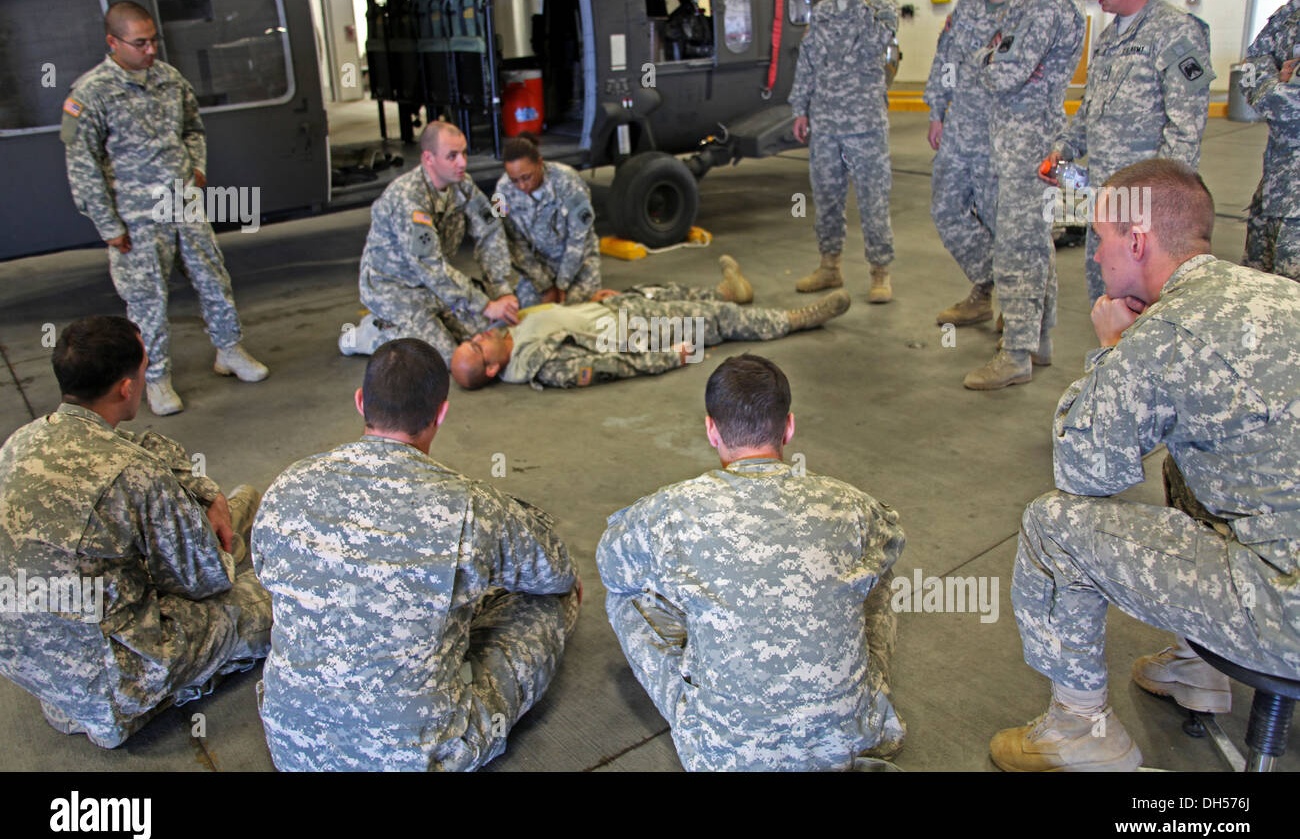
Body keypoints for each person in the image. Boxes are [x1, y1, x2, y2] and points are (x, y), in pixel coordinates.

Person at [991, 160, 1300, 771]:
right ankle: (1198, 667)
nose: (1098, 256)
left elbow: (1084, 469)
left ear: (1137, 241)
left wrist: (1114, 350)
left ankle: (1077, 730)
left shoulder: (1166, 332)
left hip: (1286, 611)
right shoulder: (1279, 292)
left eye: (1101, 239)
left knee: (1052, 526)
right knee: (1189, 462)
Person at [253, 339, 579, 771]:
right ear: (441, 413)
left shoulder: (288, 485)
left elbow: (267, 577)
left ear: (359, 401)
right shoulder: (469, 505)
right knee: (550, 603)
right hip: (414, 758)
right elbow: (555, 573)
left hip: (293, 746)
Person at [597, 354, 905, 770]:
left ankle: (716, 698)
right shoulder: (851, 505)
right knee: (876, 571)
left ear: (711, 430)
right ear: (789, 427)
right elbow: (892, 542)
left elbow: (611, 567)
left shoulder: (671, 512)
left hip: (726, 755)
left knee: (624, 596)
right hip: (850, 741)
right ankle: (854, 707)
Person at [0, 315, 271, 748]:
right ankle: (146, 699)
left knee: (241, 501)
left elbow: (137, 448)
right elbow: (200, 582)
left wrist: (205, 497)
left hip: (35, 664)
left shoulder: (20, 442)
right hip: (115, 676)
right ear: (127, 388)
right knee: (268, 603)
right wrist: (223, 550)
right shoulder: (134, 473)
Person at [61, 1, 268, 417]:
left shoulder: (170, 79)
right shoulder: (91, 93)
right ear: (113, 42)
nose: (150, 50)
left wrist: (196, 166)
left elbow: (193, 127)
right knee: (147, 299)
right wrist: (107, 224)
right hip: (136, 215)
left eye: (154, 40)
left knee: (213, 277)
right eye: (140, 43)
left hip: (183, 201)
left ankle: (228, 350)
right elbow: (81, 165)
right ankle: (154, 377)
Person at [1041, 0, 1213, 304]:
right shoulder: (1109, 37)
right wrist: (1065, 149)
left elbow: (1185, 129)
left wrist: (1158, 208)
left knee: (1144, 308)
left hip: (1145, 211)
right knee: (1105, 297)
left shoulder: (1176, 32)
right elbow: (1091, 108)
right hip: (1105, 200)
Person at [964, 0, 1085, 390]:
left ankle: (1015, 353)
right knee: (1037, 245)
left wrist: (988, 58)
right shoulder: (1035, 1)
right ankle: (1040, 340)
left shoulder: (1049, 7)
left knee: (1017, 248)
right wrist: (994, 56)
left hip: (1027, 144)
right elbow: (1001, 59)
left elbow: (1002, 73)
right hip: (1023, 140)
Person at [449, 256, 846, 390]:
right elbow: (611, 367)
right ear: (492, 367)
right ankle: (795, 320)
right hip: (637, 333)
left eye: (473, 338)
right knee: (714, 322)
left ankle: (729, 290)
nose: (481, 336)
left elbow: (560, 320)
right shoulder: (540, 364)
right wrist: (668, 357)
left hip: (617, 310)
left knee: (671, 293)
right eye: (478, 346)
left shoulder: (512, 334)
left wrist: (590, 302)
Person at [341, 120, 519, 361]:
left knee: (484, 331)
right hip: (394, 289)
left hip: (433, 287)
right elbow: (431, 266)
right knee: (442, 357)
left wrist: (500, 290)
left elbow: (489, 228)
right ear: (429, 158)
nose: (462, 163)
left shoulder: (461, 185)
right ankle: (373, 333)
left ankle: (411, 326)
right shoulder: (408, 198)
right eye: (452, 156)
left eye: (464, 153)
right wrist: (486, 305)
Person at [788, 0, 898, 303]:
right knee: (827, 199)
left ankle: (880, 272)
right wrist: (799, 108)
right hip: (826, 125)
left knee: (873, 201)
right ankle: (829, 267)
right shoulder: (821, 13)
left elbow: (875, 45)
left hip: (865, 125)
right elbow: (807, 62)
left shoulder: (881, 10)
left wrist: (857, 4)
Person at [924, 0, 1021, 327]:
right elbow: (945, 59)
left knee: (1007, 224)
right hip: (960, 131)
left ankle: (1015, 309)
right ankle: (986, 288)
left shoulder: (1026, 13)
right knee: (947, 210)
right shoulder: (965, 10)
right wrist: (936, 110)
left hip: (1002, 138)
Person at [493, 132, 602, 307]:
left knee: (575, 313)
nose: (521, 186)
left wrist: (562, 284)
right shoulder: (501, 191)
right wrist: (543, 285)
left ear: (540, 163)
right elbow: (512, 243)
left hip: (579, 263)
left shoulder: (568, 181)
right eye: (515, 180)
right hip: (539, 266)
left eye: (526, 177)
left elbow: (580, 238)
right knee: (528, 315)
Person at [1241, 0, 1300, 281]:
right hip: (1275, 193)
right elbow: (1249, 67)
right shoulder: (1292, 10)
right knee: (1261, 299)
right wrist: (1278, 89)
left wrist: (1281, 91)